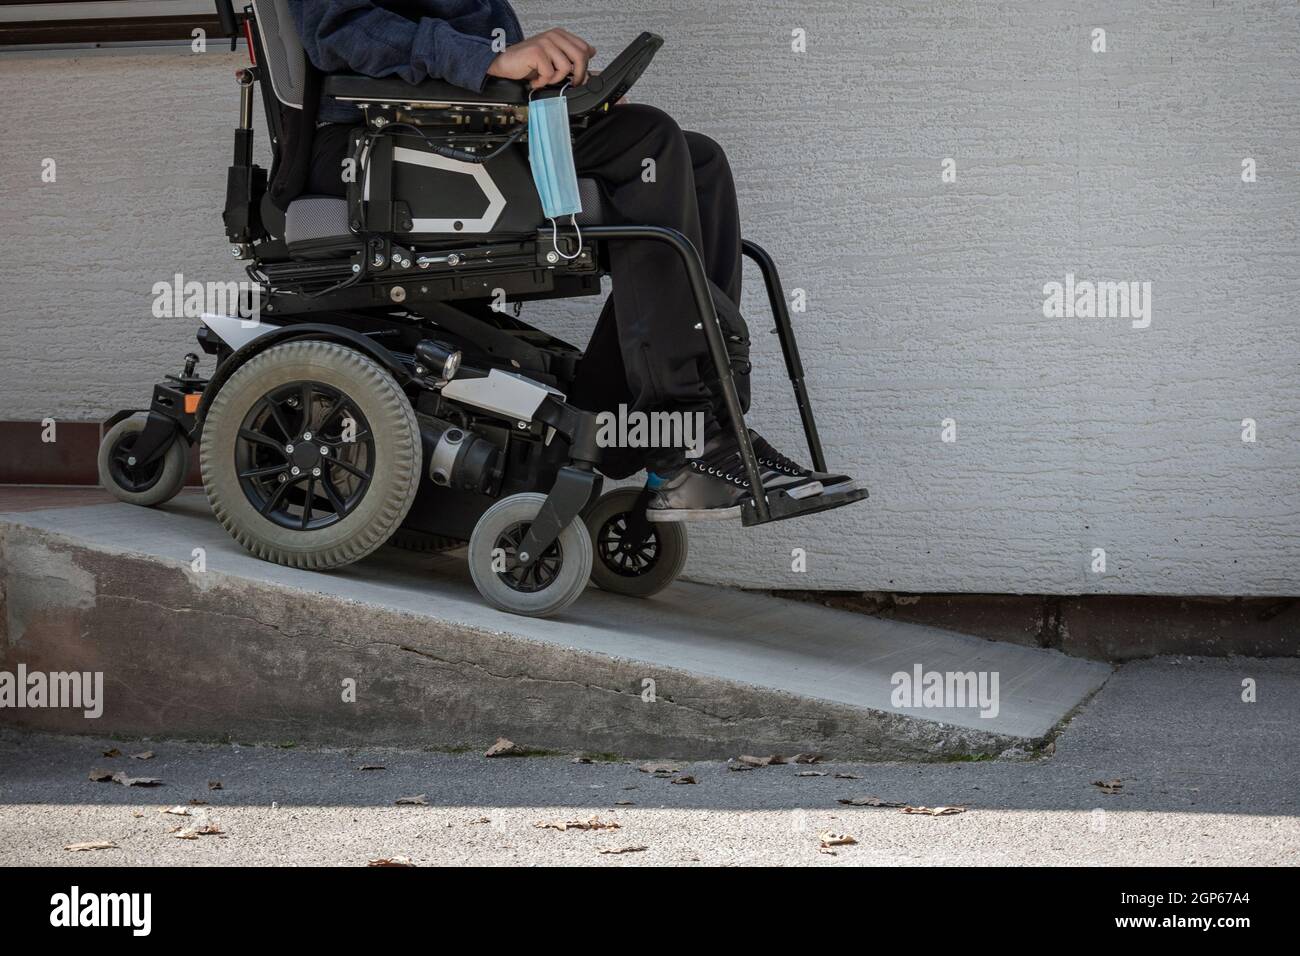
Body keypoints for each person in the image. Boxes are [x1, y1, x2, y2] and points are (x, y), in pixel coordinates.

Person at [287, 0, 854, 519]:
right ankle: (681, 439)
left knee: (698, 162)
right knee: (646, 142)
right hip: (375, 152)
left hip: (455, 132)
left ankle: (659, 427)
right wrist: (496, 59)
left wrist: (551, 90)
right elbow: (338, 34)